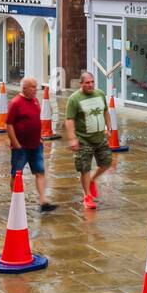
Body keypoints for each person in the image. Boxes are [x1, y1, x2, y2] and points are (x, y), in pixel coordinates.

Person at [6, 76, 56, 213]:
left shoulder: (35, 101)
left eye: (36, 86)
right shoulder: (15, 103)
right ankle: (15, 200)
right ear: (24, 88)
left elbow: (35, 120)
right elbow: (8, 124)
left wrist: (39, 136)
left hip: (36, 145)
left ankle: (43, 201)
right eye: (33, 87)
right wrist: (15, 143)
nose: (36, 89)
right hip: (21, 147)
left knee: (40, 172)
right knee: (16, 174)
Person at [64, 71, 113, 210]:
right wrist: (72, 138)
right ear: (81, 84)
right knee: (84, 167)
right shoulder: (74, 99)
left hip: (100, 137)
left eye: (92, 82)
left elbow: (105, 112)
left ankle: (92, 179)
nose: (90, 85)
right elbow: (69, 120)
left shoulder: (100, 94)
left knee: (107, 162)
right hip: (83, 139)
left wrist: (109, 128)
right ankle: (87, 196)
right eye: (87, 83)